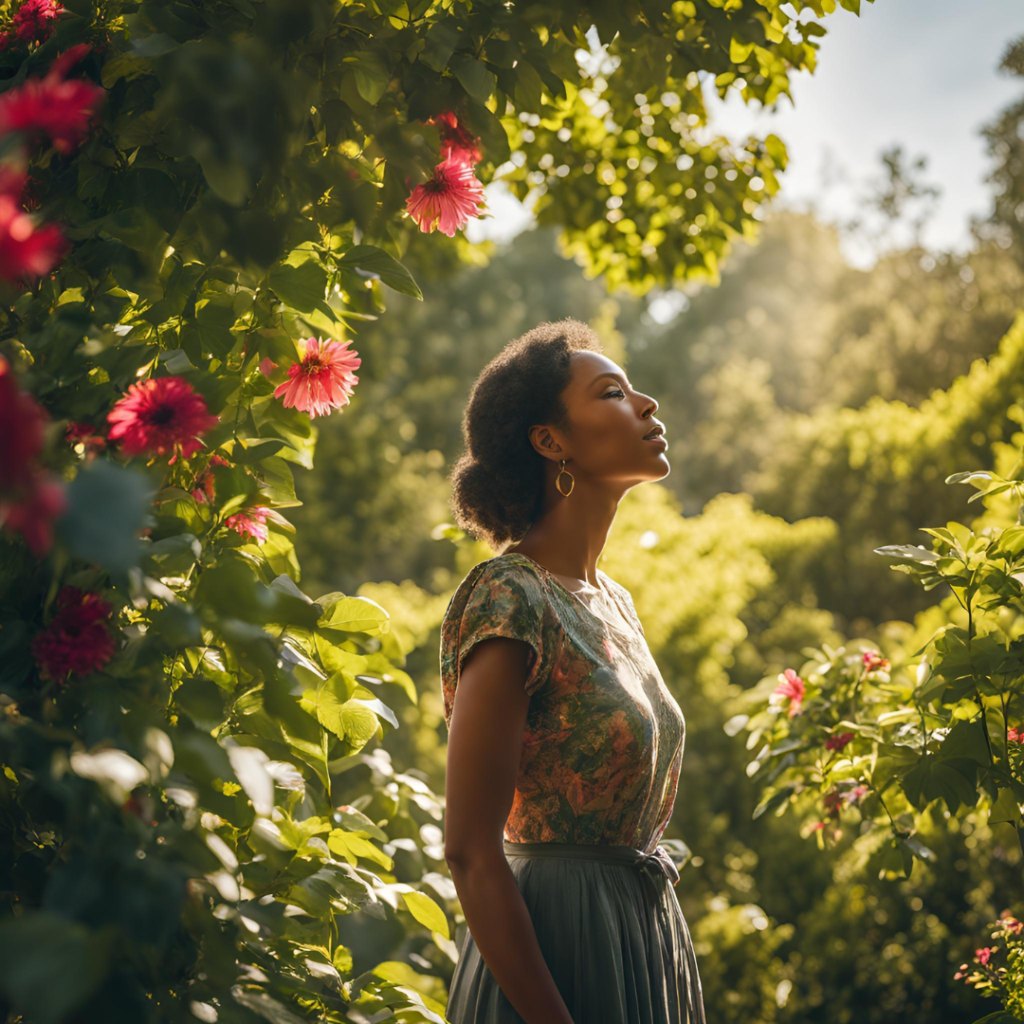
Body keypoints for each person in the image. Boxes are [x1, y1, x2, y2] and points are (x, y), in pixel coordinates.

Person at [438, 318, 707, 1024]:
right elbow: (469, 849)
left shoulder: (611, 601)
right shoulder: (510, 597)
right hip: (551, 955)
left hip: (641, 939)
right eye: (613, 393)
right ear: (550, 441)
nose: (646, 404)